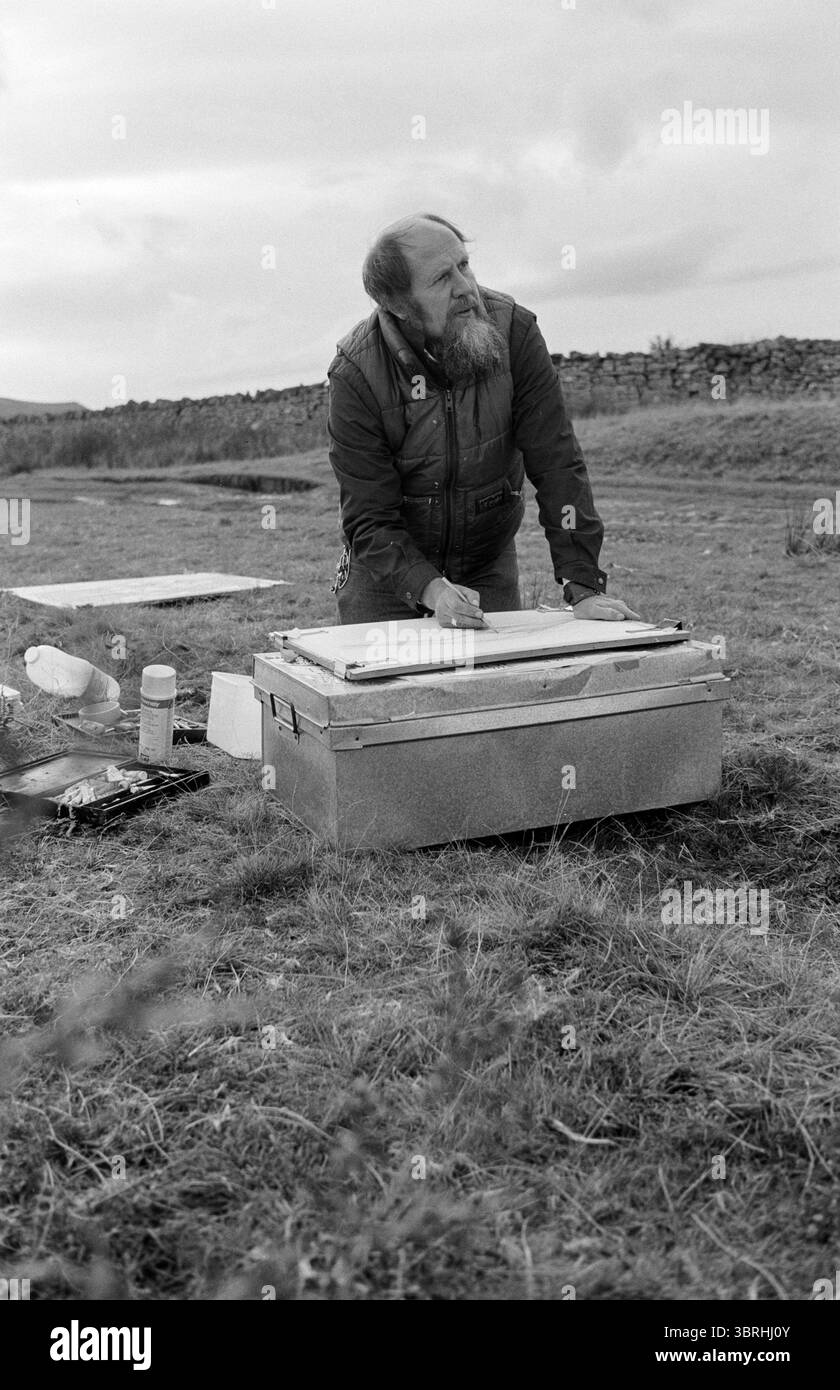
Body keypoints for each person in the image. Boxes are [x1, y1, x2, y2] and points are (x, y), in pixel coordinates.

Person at [326, 212, 640, 630]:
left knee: (498, 687)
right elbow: (369, 517)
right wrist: (432, 589)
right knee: (383, 691)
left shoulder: (515, 332)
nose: (466, 289)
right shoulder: (356, 373)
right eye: (441, 279)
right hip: (385, 576)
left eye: (465, 265)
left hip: (485, 563)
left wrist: (582, 582)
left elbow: (557, 463)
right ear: (399, 305)